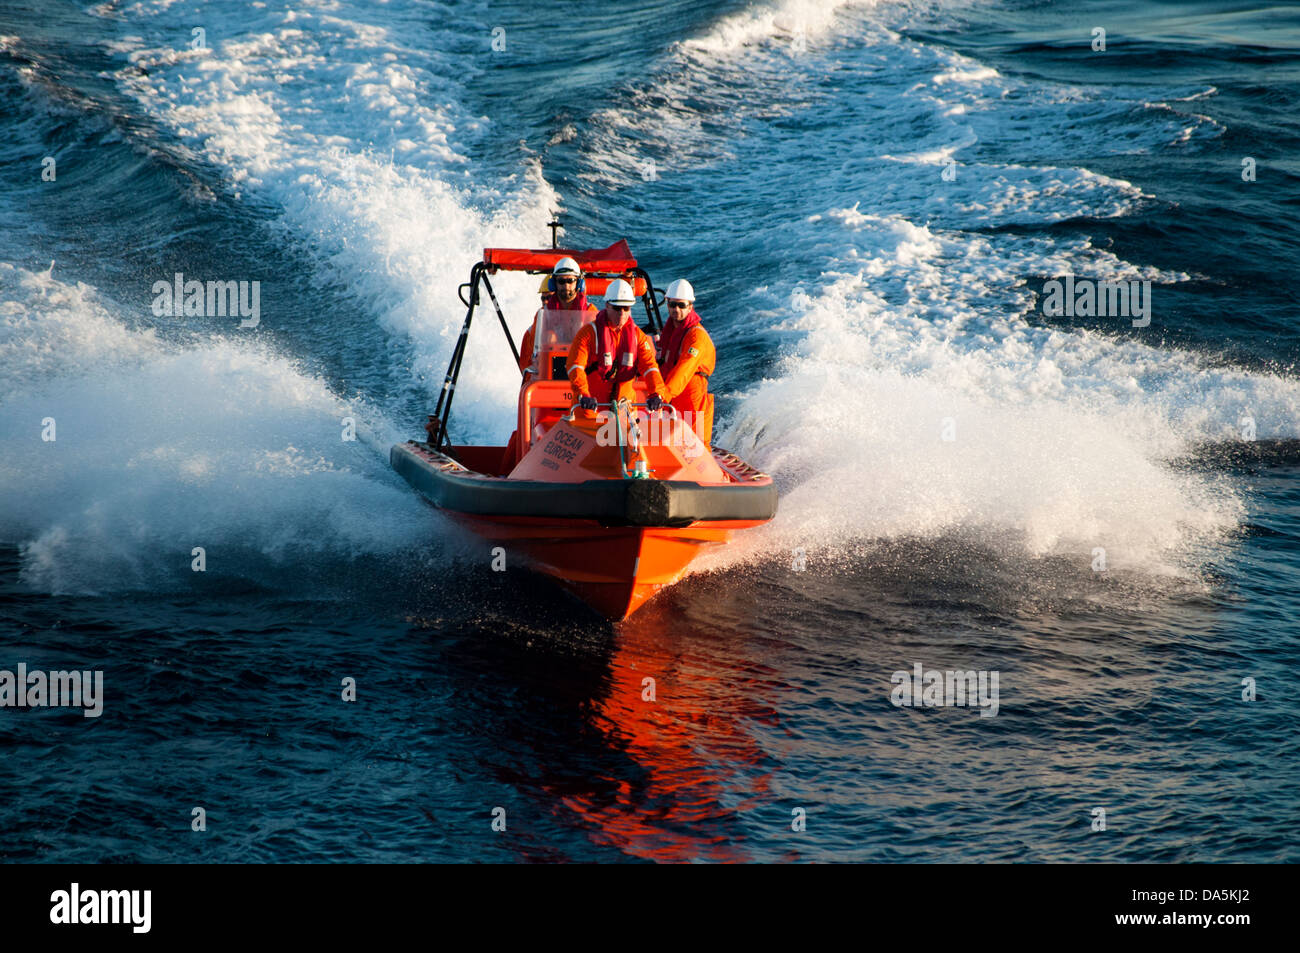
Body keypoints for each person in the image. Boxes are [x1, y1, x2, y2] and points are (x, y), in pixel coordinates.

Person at [567, 278, 667, 412]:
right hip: (590, 410)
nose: (622, 313)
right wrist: (583, 394)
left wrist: (656, 393)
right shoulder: (588, 334)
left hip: (624, 411)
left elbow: (650, 367)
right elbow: (575, 366)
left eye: (626, 308)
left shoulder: (639, 337)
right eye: (617, 308)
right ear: (607, 305)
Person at [655, 278, 715, 444]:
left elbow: (684, 369)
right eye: (673, 305)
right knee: (671, 444)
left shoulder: (696, 337)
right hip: (672, 395)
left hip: (691, 396)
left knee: (695, 447)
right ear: (667, 304)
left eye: (681, 305)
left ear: (690, 306)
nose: (676, 309)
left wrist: (663, 395)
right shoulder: (670, 332)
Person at [518, 257, 595, 376]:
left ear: (578, 282)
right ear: (554, 283)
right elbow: (535, 351)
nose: (566, 286)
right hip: (550, 373)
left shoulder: (591, 311)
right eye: (561, 281)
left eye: (570, 281)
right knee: (550, 337)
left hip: (583, 370)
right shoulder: (543, 314)